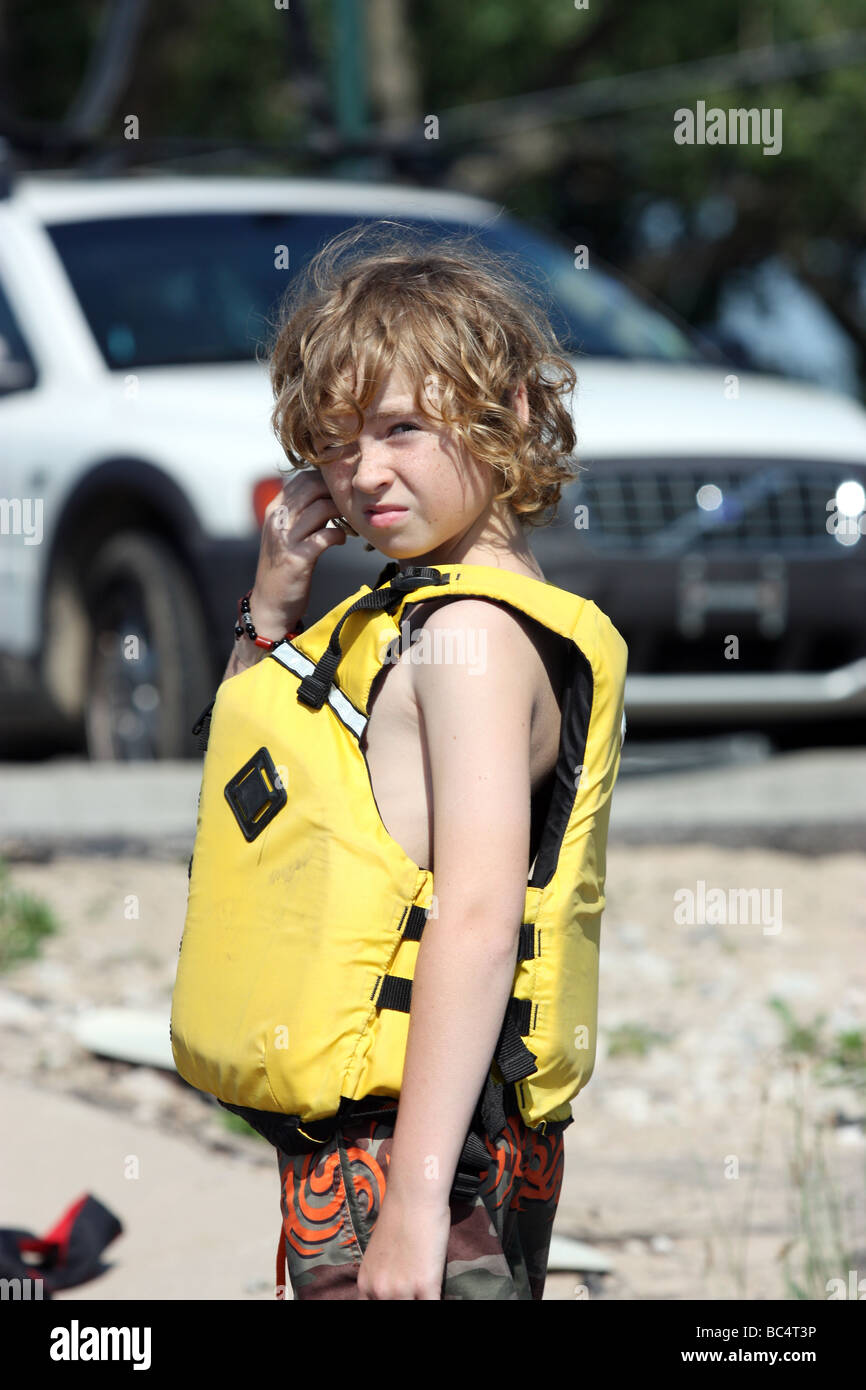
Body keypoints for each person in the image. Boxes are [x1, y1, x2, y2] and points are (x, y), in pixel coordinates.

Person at [223, 222, 583, 1300]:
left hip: (423, 1157)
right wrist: (272, 611)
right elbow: (261, 787)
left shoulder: (469, 640)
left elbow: (476, 918)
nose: (363, 472)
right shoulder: (425, 619)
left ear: (509, 411)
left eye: (400, 429)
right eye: (335, 444)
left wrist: (417, 1205)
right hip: (399, 1143)